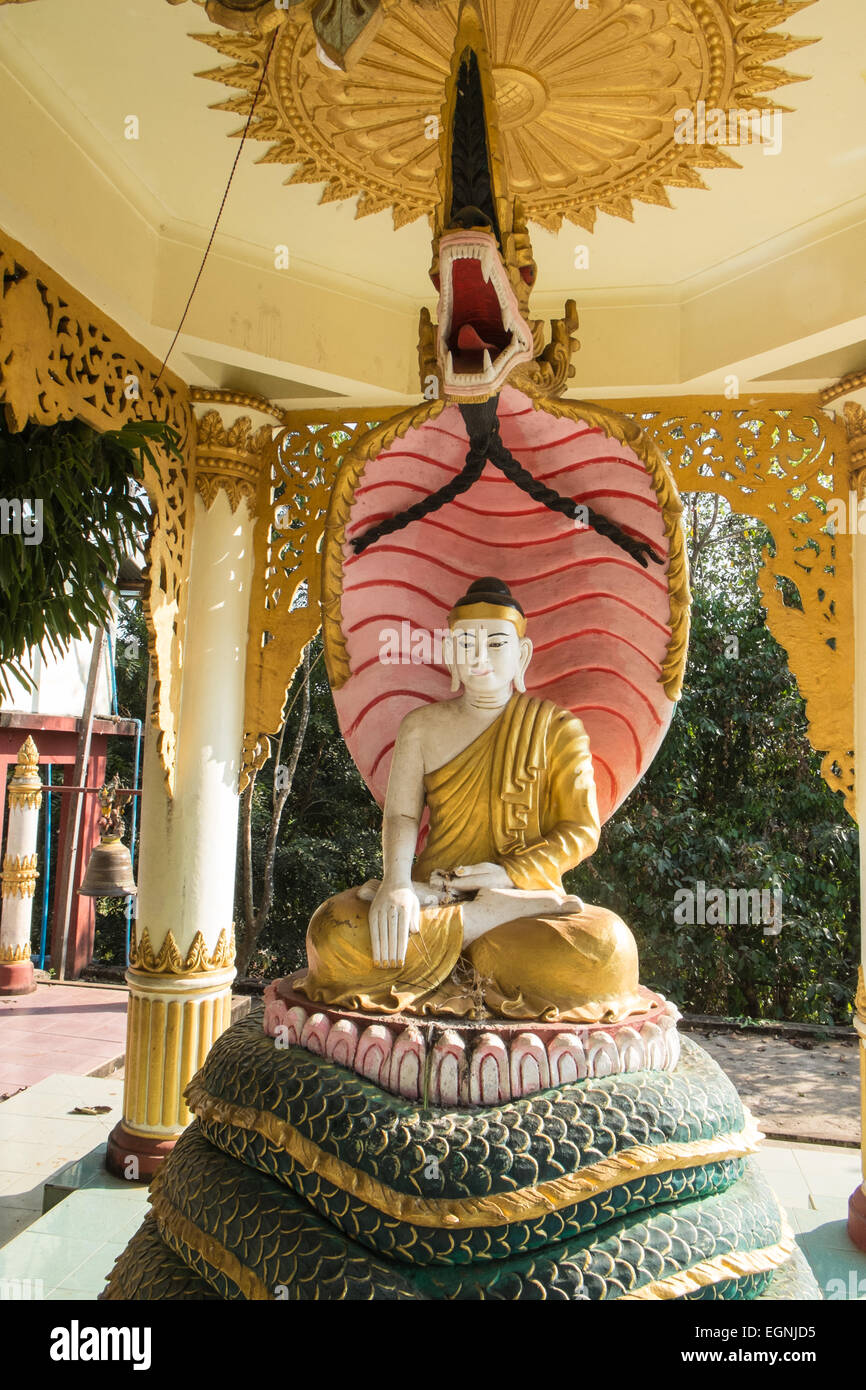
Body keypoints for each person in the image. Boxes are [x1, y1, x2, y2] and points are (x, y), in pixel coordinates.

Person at [297, 578, 644, 1022]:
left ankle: (480, 924)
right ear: (450, 653)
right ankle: (476, 923)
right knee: (333, 930)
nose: (480, 656)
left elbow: (580, 831)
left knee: (606, 946)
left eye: (496, 643)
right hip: (432, 890)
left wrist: (508, 874)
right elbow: (401, 813)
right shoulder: (421, 726)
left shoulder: (556, 728)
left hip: (520, 901)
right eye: (466, 642)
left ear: (522, 655)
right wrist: (397, 885)